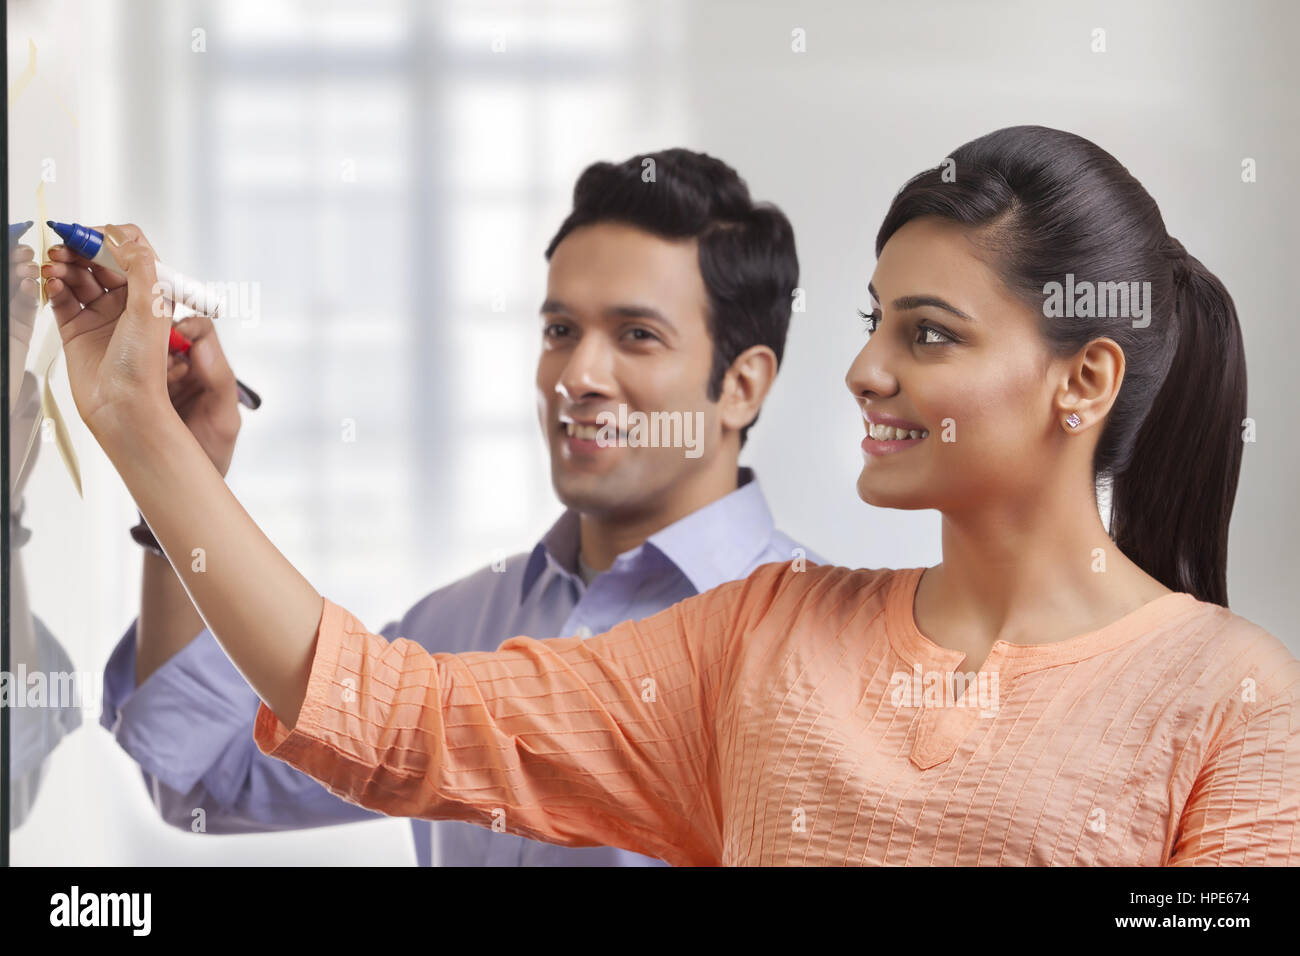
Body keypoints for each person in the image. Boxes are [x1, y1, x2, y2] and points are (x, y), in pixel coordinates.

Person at [50, 126, 1299, 865]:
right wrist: (149, 439)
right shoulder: (762, 640)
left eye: (926, 334)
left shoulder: (1230, 698)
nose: (864, 367)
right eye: (875, 324)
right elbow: (380, 716)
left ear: (1082, 376)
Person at [82, 149, 822, 866]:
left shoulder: (819, 647)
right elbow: (206, 772)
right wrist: (182, 479)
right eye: (561, 331)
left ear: (743, 387)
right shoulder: (465, 625)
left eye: (637, 335)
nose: (578, 376)